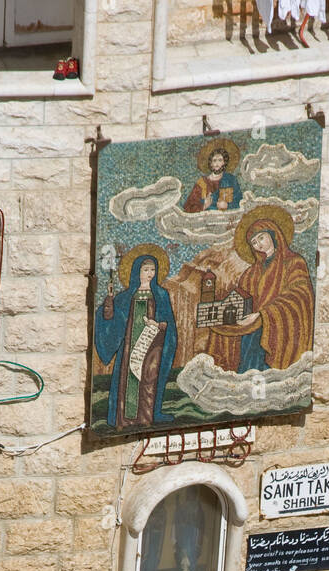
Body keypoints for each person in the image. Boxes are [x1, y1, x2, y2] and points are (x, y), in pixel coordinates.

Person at [206, 207, 314, 376]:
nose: (259, 245)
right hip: (250, 328)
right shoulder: (250, 273)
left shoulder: (293, 262)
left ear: (274, 234)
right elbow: (241, 298)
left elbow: (299, 294)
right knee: (246, 366)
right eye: (254, 243)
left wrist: (264, 314)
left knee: (262, 370)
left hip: (275, 327)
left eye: (261, 238)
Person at [95, 247, 177, 429]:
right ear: (137, 271)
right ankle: (124, 420)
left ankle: (145, 418)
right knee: (129, 379)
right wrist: (108, 303)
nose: (150, 274)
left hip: (152, 345)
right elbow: (112, 318)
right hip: (130, 346)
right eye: (145, 270)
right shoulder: (126, 296)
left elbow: (167, 322)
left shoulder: (161, 294)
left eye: (152, 270)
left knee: (148, 380)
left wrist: (156, 325)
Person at [184, 144, 243, 213]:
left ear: (224, 162)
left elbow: (240, 202)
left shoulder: (231, 180)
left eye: (220, 160)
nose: (217, 163)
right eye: (214, 160)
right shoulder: (202, 183)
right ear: (211, 163)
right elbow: (188, 207)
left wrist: (227, 206)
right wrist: (204, 206)